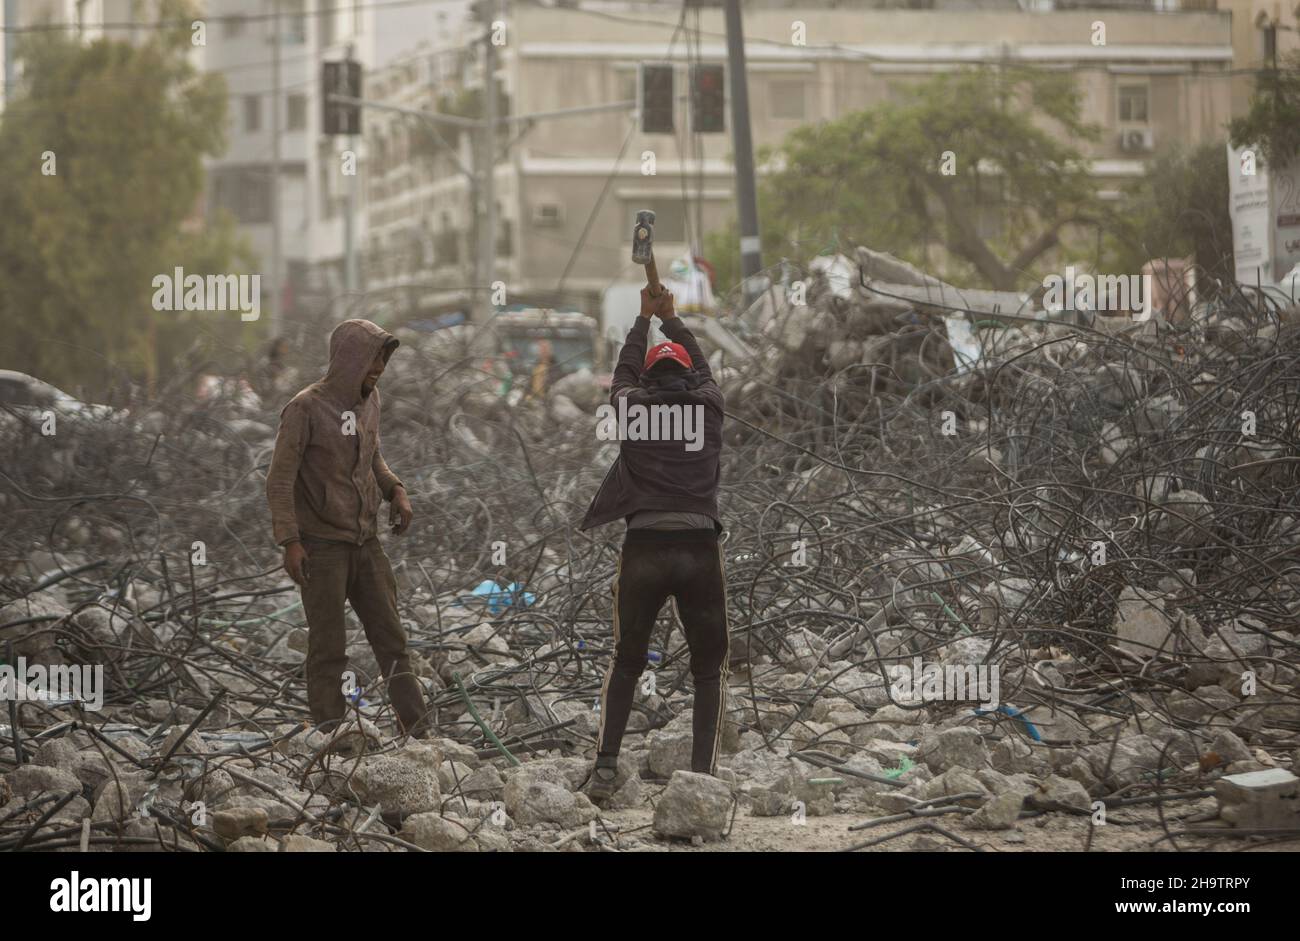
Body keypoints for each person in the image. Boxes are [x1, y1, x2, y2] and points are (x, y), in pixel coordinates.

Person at [579, 288, 728, 804]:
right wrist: (673, 321)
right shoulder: (709, 406)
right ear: (687, 378)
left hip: (643, 549)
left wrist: (643, 319)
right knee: (709, 668)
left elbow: (621, 371)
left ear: (648, 379)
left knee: (626, 661)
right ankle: (702, 776)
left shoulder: (630, 406)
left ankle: (604, 770)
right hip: (698, 551)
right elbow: (707, 370)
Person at [265, 319, 432, 738]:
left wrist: (395, 489)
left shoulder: (370, 400)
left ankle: (416, 728)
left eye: (382, 361)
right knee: (328, 648)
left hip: (365, 542)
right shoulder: (304, 409)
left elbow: (373, 455)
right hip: (322, 547)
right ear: (348, 360)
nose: (377, 370)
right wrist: (290, 541)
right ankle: (330, 735)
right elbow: (279, 479)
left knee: (392, 639)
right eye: (371, 360)